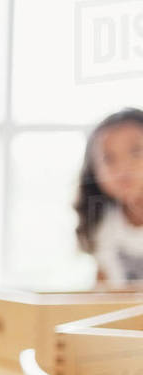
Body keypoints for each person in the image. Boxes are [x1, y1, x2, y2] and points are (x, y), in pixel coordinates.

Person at [74, 107, 143, 284]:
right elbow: (102, 291)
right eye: (108, 158)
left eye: (136, 152)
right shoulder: (101, 222)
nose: (123, 168)